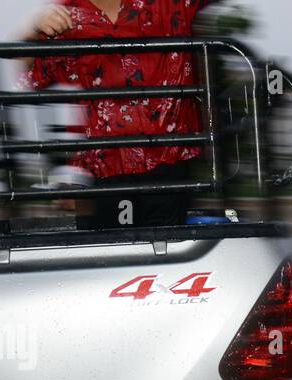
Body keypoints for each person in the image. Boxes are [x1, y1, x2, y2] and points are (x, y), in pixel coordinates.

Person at [21, 1, 210, 229]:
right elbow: (23, 78)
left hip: (169, 163)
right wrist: (33, 26)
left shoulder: (170, 4)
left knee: (165, 254)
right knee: (108, 256)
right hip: (101, 171)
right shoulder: (64, 15)